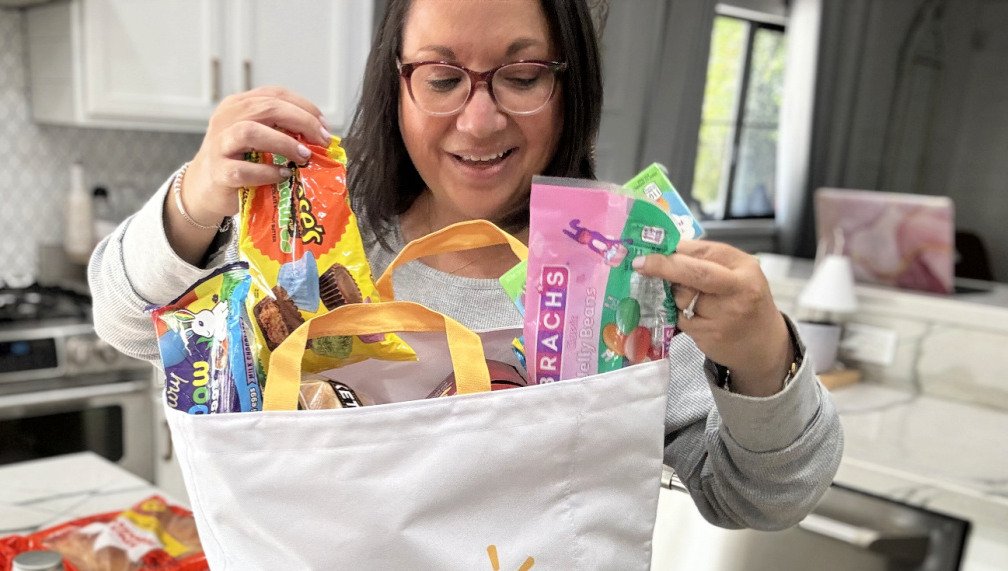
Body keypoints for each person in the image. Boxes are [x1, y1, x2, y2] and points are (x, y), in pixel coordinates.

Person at [89, 0, 843, 531]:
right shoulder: (315, 237)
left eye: (523, 75)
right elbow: (124, 322)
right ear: (396, 83)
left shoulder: (623, 269)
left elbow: (761, 499)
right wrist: (194, 200)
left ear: (569, 84)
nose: (479, 122)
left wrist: (762, 359)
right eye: (443, 78)